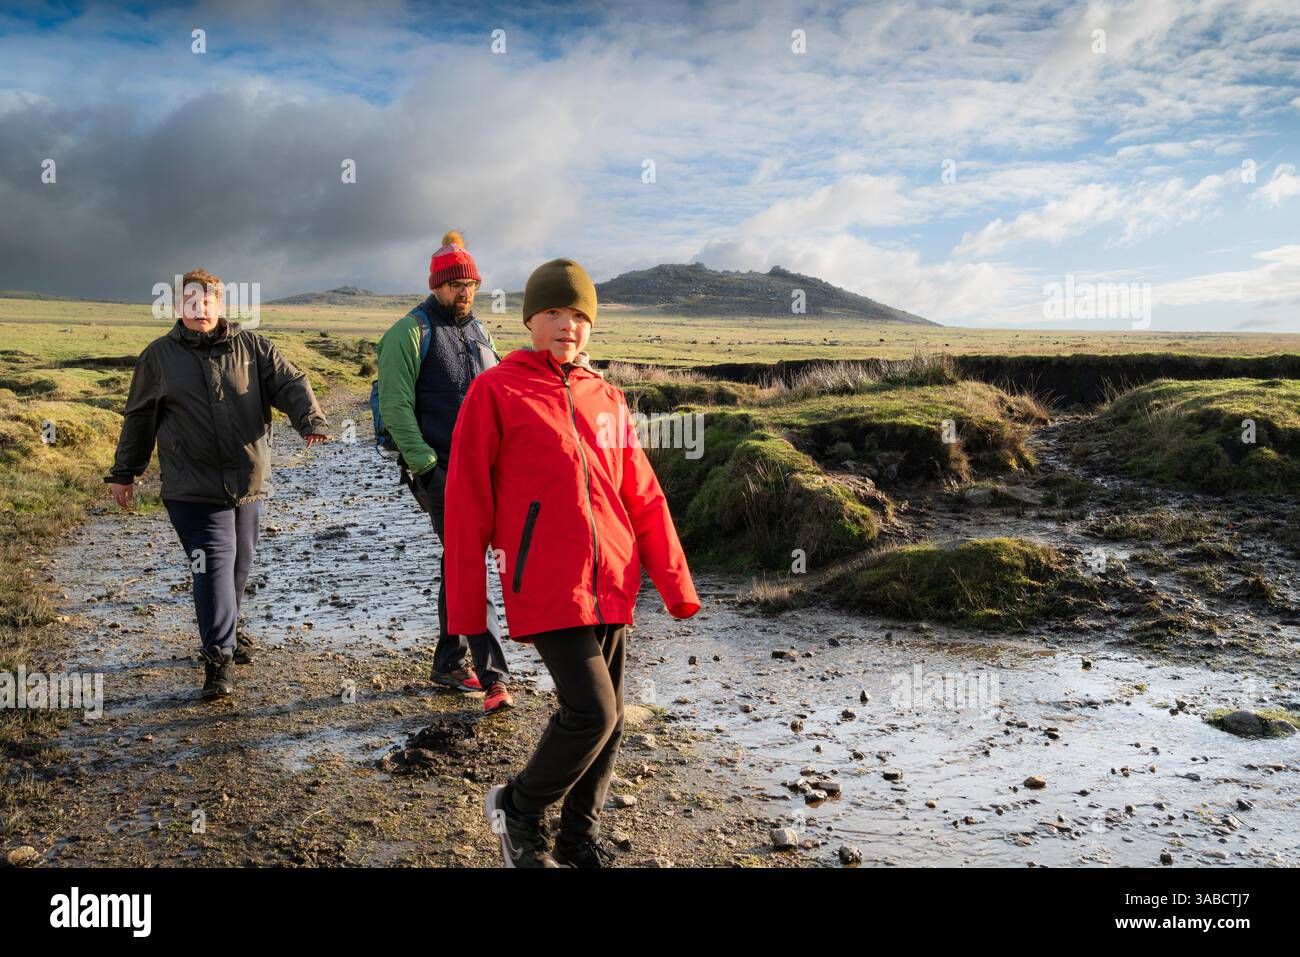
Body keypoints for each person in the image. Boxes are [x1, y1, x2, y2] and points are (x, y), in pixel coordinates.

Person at [445, 258, 700, 867]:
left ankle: (577, 837)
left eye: (580, 315)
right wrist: (466, 606)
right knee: (593, 711)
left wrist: (675, 583)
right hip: (545, 580)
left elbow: (643, 493)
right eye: (555, 312)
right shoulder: (496, 391)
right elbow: (466, 503)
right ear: (530, 318)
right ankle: (518, 809)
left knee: (609, 723)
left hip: (611, 579)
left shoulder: (606, 397)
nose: (568, 325)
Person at [106, 268, 329, 700]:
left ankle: (225, 632)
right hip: (191, 487)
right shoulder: (159, 356)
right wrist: (124, 473)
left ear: (220, 306)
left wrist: (309, 421)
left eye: (206, 302)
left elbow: (291, 383)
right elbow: (139, 417)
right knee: (212, 565)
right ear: (178, 307)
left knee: (239, 566)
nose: (199, 309)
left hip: (246, 481)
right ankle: (218, 660)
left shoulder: (254, 348)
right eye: (190, 302)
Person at [376, 231, 512, 713]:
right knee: (469, 562)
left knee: (459, 562)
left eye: (470, 283)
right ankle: (492, 674)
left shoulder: (478, 330)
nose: (464, 292)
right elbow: (395, 406)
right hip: (441, 470)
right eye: (455, 284)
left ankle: (450, 659)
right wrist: (427, 468)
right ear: (436, 285)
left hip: (485, 471)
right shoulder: (408, 333)